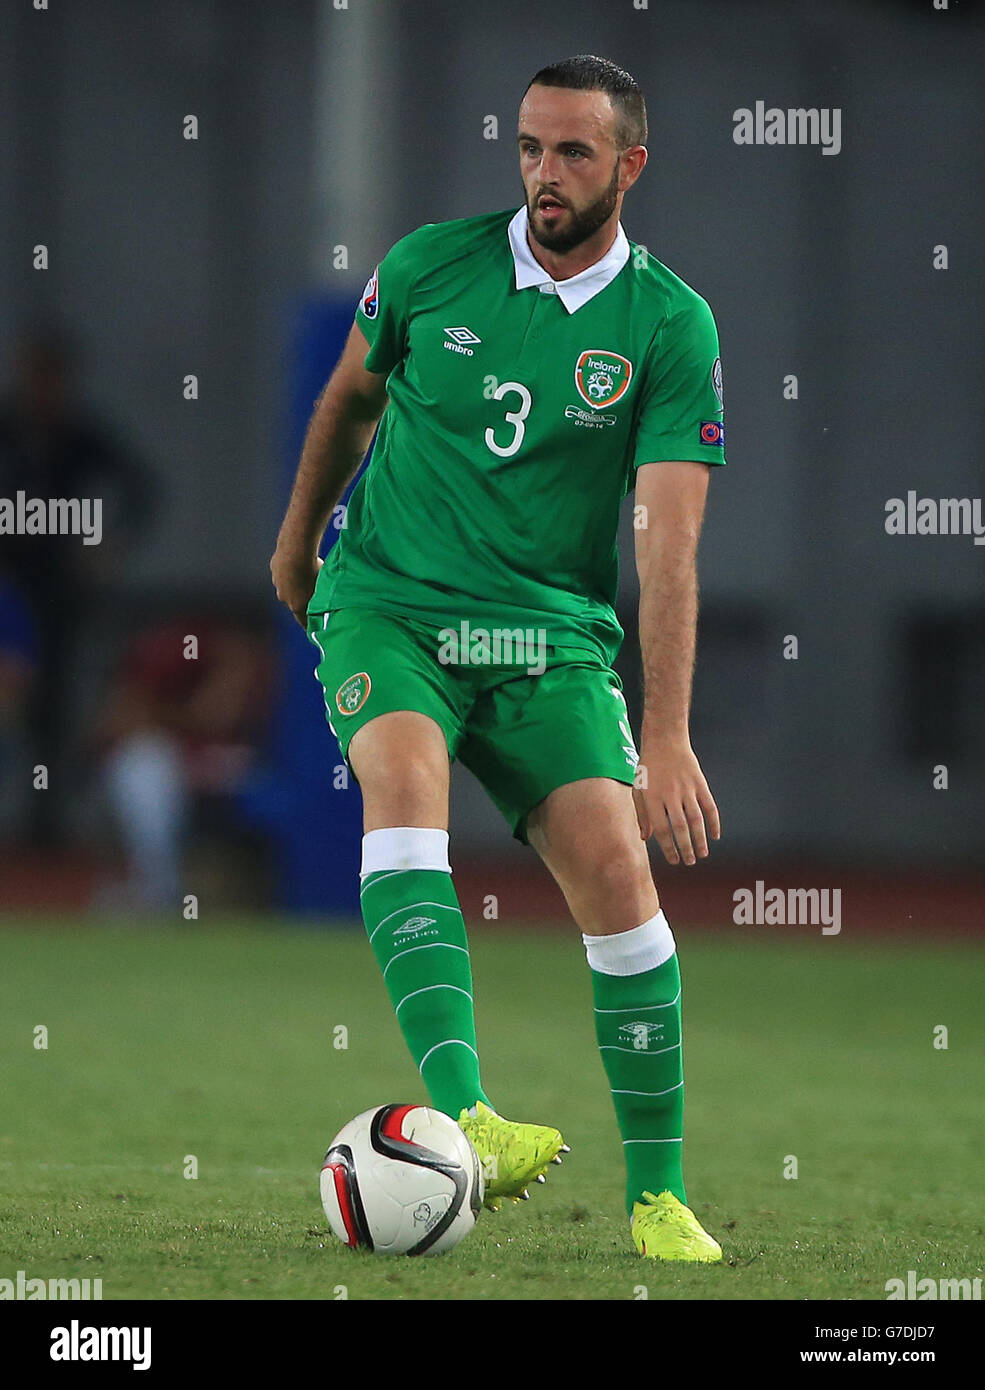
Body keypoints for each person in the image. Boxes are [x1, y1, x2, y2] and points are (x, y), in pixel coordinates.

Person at [271, 55, 726, 1262]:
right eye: (528, 147)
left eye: (572, 152)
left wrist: (666, 731)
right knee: (404, 785)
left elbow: (668, 547)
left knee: (620, 882)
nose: (542, 174)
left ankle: (657, 1199)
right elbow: (349, 401)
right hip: (393, 603)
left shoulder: (670, 326)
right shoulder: (430, 263)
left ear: (630, 164)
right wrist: (297, 542)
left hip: (548, 635)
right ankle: (467, 1112)